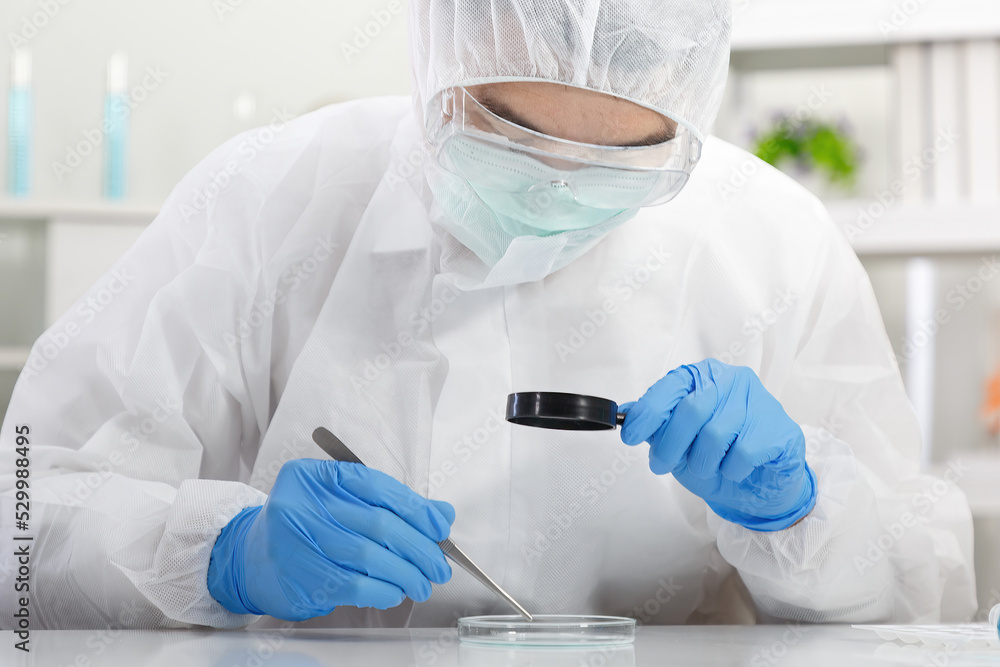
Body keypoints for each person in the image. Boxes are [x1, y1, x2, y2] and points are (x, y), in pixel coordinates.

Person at [0, 0, 976, 630]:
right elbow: (22, 522)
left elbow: (927, 600)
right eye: (511, 136)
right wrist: (215, 552)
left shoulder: (774, 247)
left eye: (612, 166)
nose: (553, 195)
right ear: (440, 64)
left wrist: (806, 510)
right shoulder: (268, 200)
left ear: (685, 123)